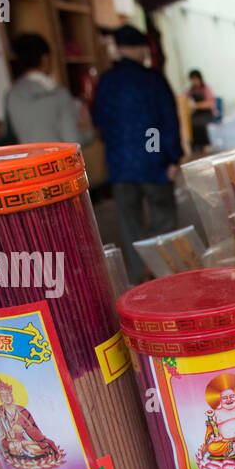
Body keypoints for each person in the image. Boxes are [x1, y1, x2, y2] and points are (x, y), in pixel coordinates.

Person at [92, 25, 183, 283]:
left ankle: (139, 281)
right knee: (163, 222)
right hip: (155, 162)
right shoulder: (153, 80)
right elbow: (169, 120)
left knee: (130, 225)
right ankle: (165, 277)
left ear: (118, 49)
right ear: (143, 48)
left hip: (121, 166)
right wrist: (173, 157)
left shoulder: (106, 82)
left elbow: (99, 119)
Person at [4, 33, 90, 146]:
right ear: (45, 59)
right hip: (57, 162)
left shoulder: (11, 95)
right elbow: (73, 141)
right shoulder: (58, 94)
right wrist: (91, 134)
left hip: (30, 161)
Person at [186, 70, 217, 155]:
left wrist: (197, 105)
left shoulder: (206, 88)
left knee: (200, 123)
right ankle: (196, 145)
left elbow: (210, 103)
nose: (194, 81)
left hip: (207, 113)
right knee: (191, 122)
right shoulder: (192, 90)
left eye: (195, 79)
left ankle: (206, 144)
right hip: (198, 113)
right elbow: (185, 97)